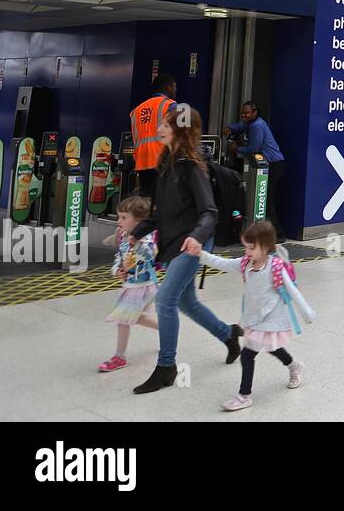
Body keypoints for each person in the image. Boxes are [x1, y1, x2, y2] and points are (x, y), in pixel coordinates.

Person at [129, 104, 244, 394]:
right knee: (185, 302)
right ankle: (229, 335)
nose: (159, 129)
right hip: (174, 242)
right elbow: (159, 213)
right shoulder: (166, 166)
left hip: (191, 243)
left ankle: (167, 366)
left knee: (166, 300)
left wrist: (195, 238)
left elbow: (209, 212)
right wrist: (135, 232)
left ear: (181, 130)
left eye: (166, 125)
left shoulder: (192, 168)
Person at [189, 221, 314, 411]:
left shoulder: (276, 267)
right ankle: (294, 365)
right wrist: (201, 254)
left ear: (265, 247)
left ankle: (244, 395)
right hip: (255, 318)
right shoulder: (245, 263)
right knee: (272, 348)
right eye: (245, 246)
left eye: (251, 247)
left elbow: (292, 291)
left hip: (271, 318)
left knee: (247, 355)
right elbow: (222, 263)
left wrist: (307, 312)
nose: (246, 251)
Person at [99, 196, 158, 373]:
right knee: (130, 318)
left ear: (139, 221)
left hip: (143, 286)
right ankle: (166, 330)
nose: (119, 221)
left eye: (124, 217)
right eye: (119, 217)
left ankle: (119, 357)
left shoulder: (147, 237)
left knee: (124, 319)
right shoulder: (124, 236)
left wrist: (137, 244)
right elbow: (120, 256)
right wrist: (117, 270)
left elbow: (151, 255)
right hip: (132, 286)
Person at [225, 101, 287, 239]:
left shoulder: (257, 126)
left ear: (255, 113)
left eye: (246, 113)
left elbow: (254, 148)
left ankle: (278, 233)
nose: (243, 115)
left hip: (273, 165)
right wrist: (230, 128)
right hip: (266, 165)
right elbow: (240, 126)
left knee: (267, 200)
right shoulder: (250, 123)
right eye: (242, 112)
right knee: (264, 200)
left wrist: (236, 149)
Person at [129, 74, 177, 201]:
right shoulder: (170, 106)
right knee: (165, 203)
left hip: (142, 163)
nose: (175, 91)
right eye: (174, 87)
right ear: (168, 87)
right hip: (163, 161)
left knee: (147, 203)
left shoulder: (136, 111)